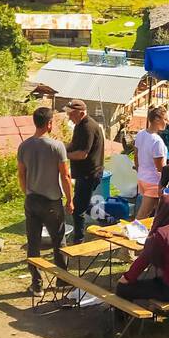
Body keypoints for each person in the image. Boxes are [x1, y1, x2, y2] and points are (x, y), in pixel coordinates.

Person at [18, 106, 74, 297]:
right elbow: (65, 175)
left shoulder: (24, 146)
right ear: (49, 124)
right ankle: (62, 281)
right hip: (52, 202)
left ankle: (37, 284)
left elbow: (21, 173)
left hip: (32, 200)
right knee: (59, 241)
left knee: (32, 243)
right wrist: (70, 199)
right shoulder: (56, 147)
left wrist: (27, 192)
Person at [116, 194, 169, 303]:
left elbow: (143, 260)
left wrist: (127, 278)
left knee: (122, 289)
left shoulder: (161, 234)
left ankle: (122, 319)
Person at [64, 99, 105, 244]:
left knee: (78, 209)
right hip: (84, 174)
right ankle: (107, 220)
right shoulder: (80, 125)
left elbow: (82, 154)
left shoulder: (88, 127)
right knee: (84, 204)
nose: (69, 117)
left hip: (89, 174)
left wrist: (63, 156)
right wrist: (62, 147)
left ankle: (78, 240)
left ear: (81, 113)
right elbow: (75, 145)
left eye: (71, 114)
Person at [133, 106, 169, 219]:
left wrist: (140, 170)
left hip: (142, 178)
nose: (167, 122)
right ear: (157, 119)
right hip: (154, 182)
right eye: (165, 119)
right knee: (143, 215)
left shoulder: (140, 134)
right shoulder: (157, 141)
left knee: (160, 214)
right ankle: (131, 234)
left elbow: (136, 155)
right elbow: (160, 167)